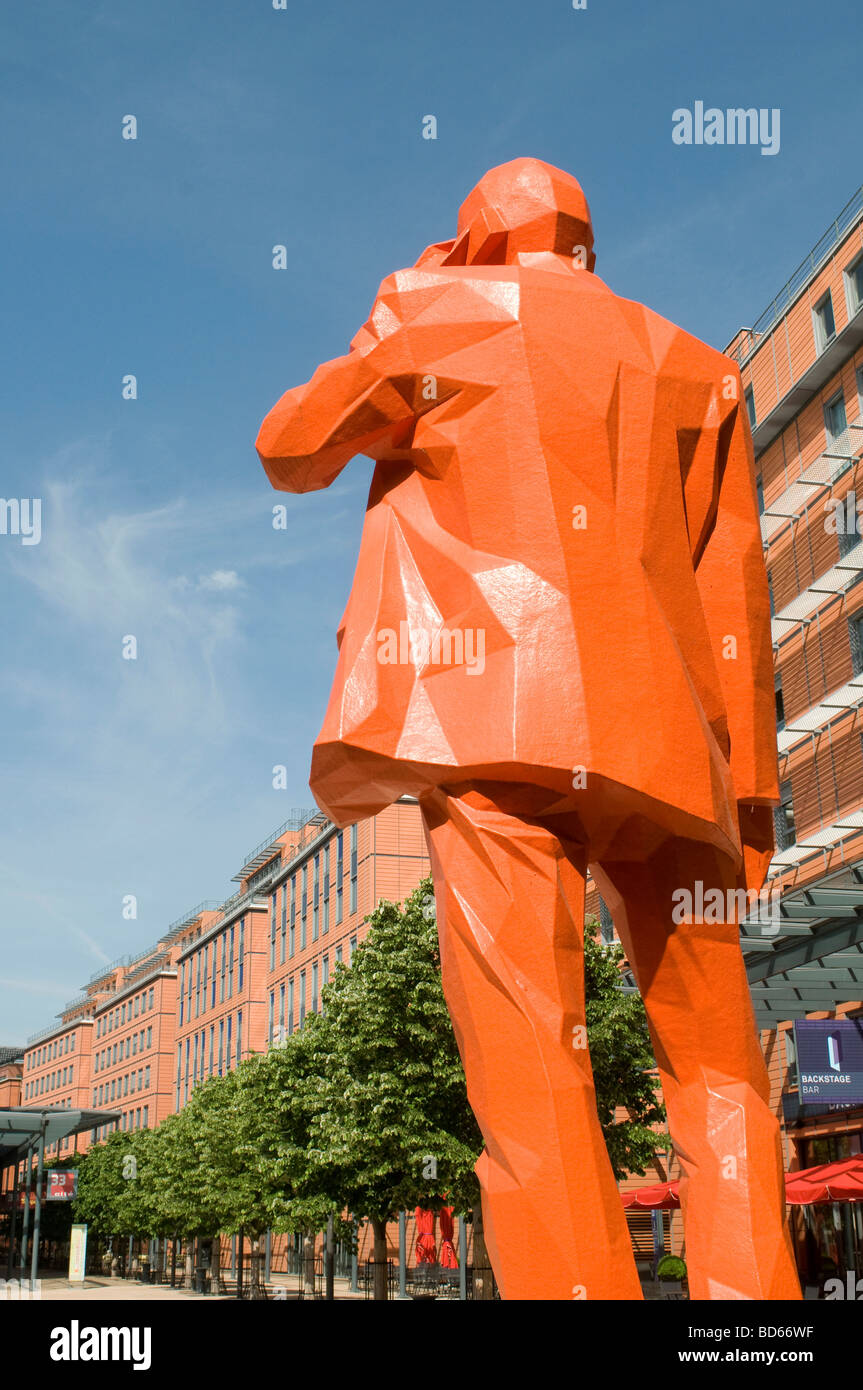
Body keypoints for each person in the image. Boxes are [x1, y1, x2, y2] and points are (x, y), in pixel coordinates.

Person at [256, 157, 801, 1301]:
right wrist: (748, 795)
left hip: (495, 721)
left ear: (477, 237)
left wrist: (408, 303)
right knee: (719, 1070)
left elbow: (289, 445)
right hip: (669, 748)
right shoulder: (696, 368)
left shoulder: (436, 311)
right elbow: (731, 594)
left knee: (530, 1063)